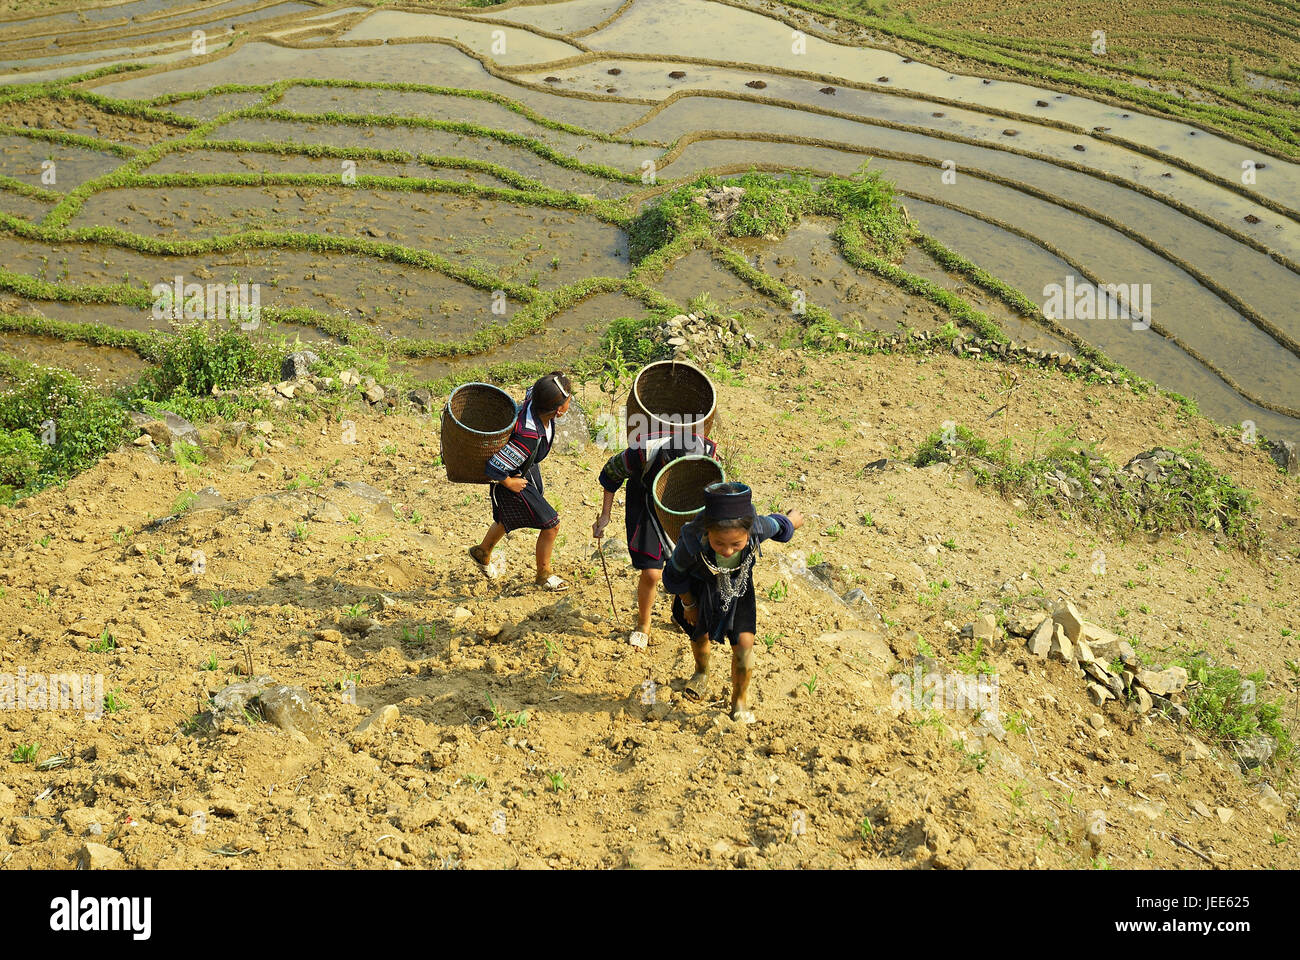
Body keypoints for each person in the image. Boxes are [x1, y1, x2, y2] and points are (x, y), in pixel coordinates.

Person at [662, 481, 803, 723]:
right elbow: (673, 574)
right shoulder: (692, 538)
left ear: (748, 533)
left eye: (737, 544)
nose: (728, 551)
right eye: (719, 544)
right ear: (708, 533)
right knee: (700, 634)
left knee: (744, 645)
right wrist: (688, 604)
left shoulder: (757, 528)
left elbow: (778, 525)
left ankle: (739, 701)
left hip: (738, 590)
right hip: (699, 590)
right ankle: (701, 672)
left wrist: (790, 522)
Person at [592, 426, 718, 648]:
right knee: (651, 572)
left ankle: (679, 610)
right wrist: (605, 516)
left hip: (688, 507)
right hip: (646, 505)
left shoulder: (706, 453)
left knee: (689, 564)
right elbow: (611, 473)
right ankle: (643, 623)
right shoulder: (643, 451)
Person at [469, 371, 573, 591]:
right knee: (551, 525)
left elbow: (535, 388)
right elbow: (494, 466)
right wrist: (508, 482)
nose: (569, 401)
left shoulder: (535, 402)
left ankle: (483, 551)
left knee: (510, 516)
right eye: (568, 399)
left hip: (526, 467)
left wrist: (558, 380)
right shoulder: (527, 435)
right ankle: (544, 574)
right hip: (513, 478)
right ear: (559, 409)